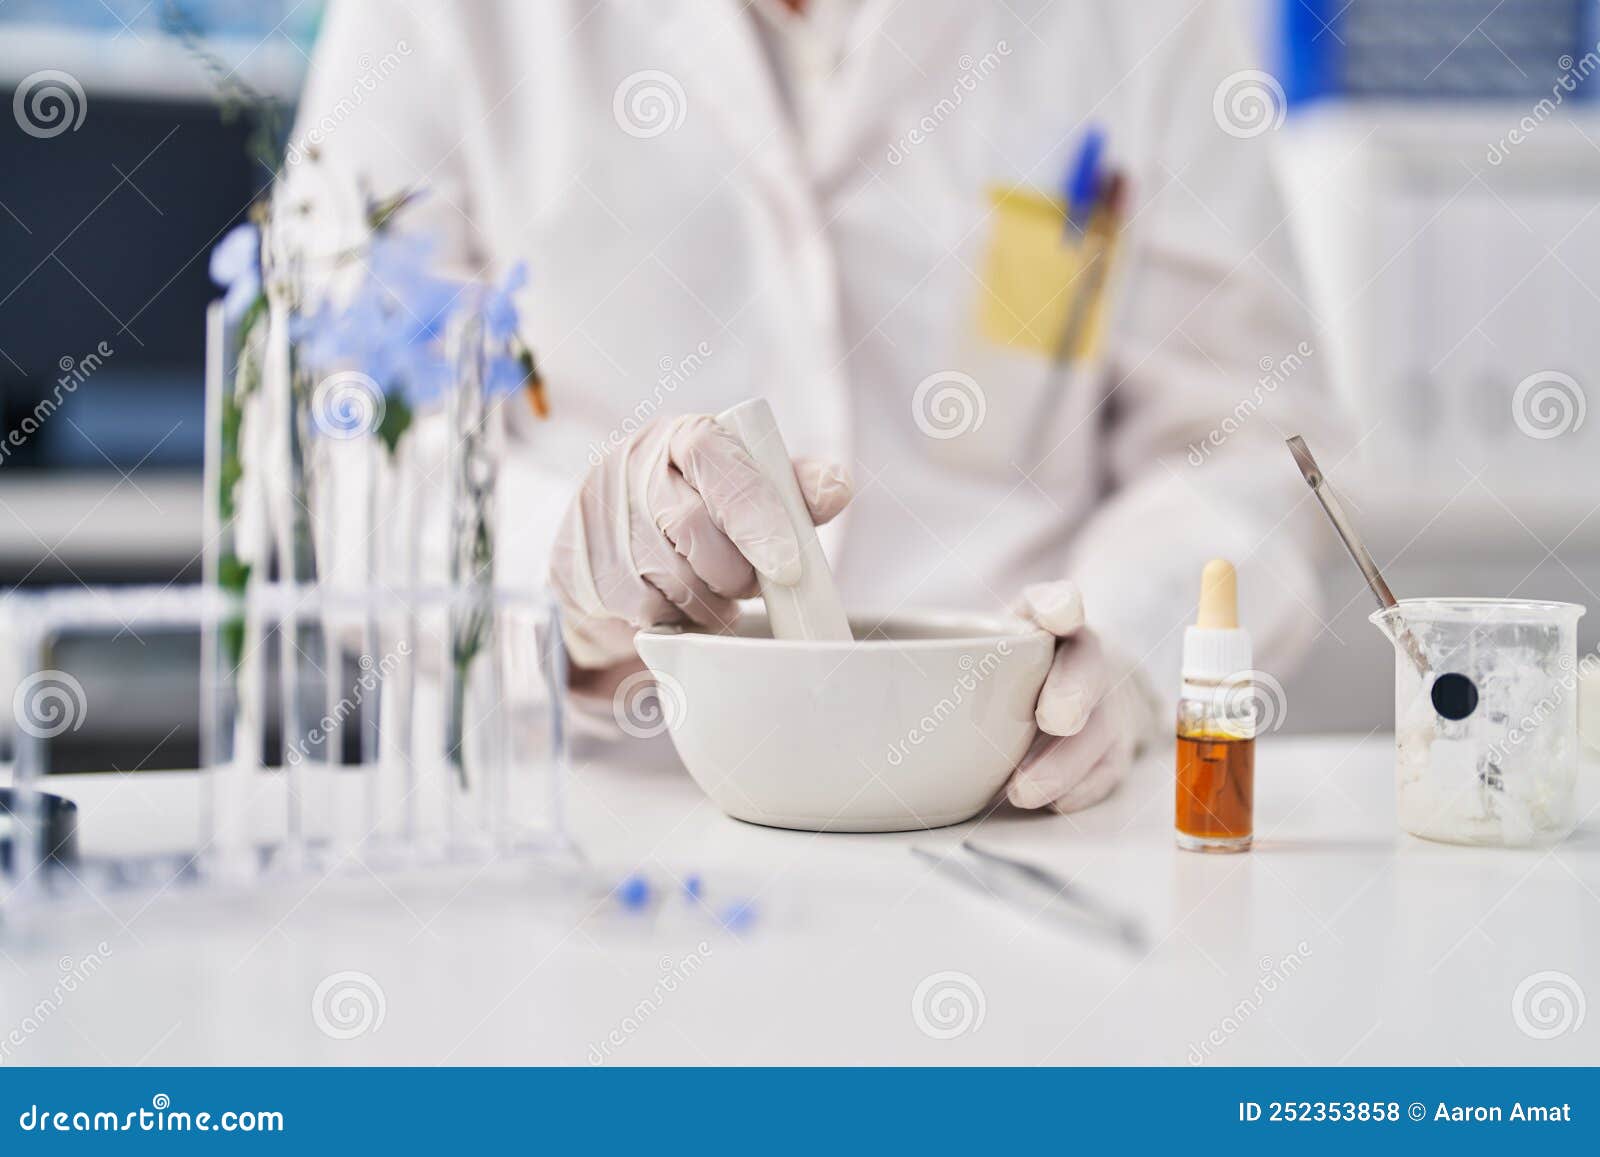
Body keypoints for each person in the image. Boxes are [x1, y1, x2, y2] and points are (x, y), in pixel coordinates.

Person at [288, 0, 1343, 814]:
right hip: (598, 812)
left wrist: (1127, 652)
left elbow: (1245, 438)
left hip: (1014, 813)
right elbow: (354, 455)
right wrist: (563, 568)